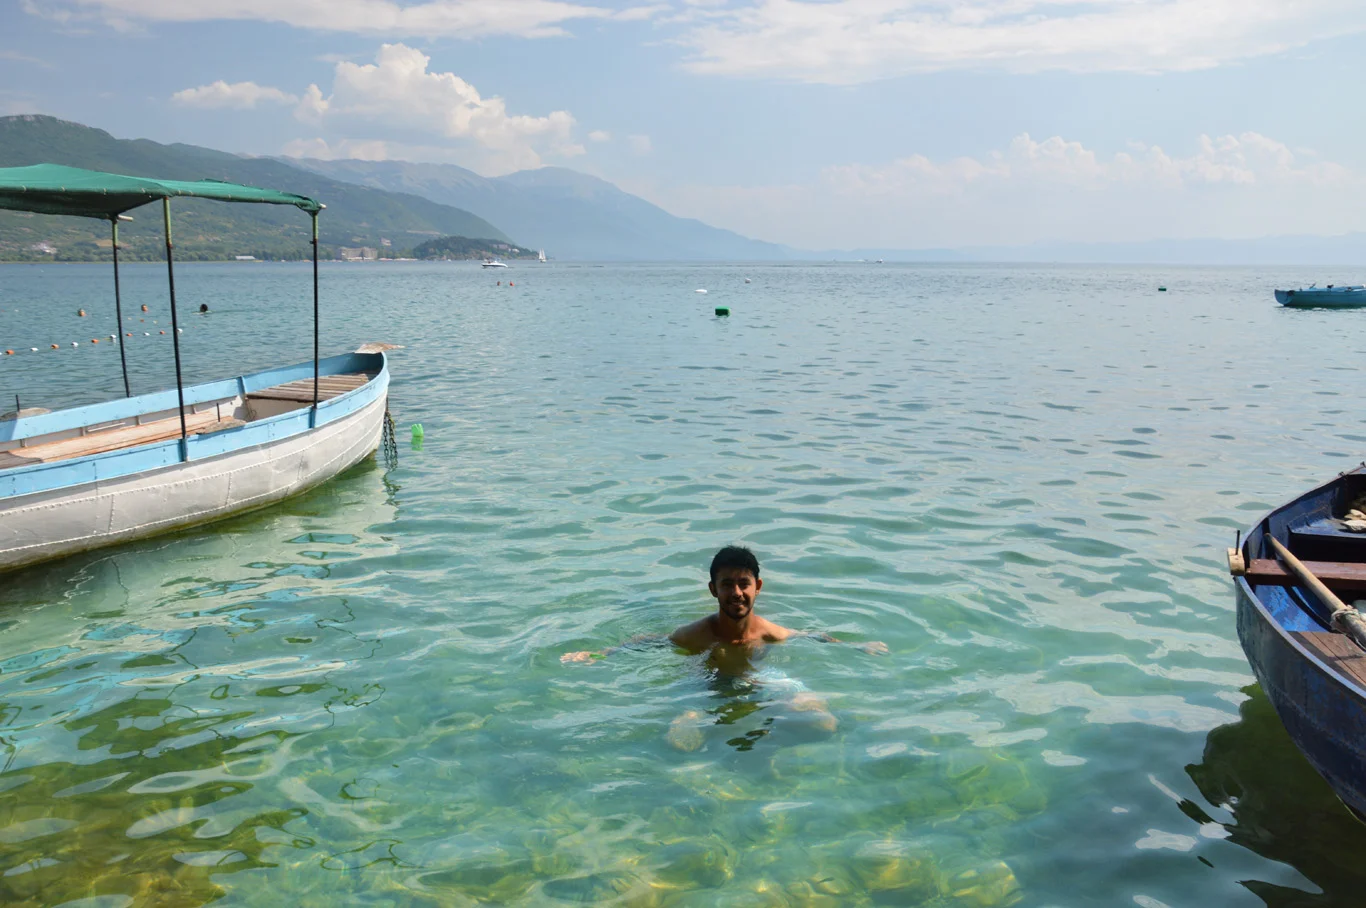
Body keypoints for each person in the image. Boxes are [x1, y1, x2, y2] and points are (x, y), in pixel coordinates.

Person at [560, 545, 887, 662]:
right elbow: (650, 642)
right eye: (727, 585)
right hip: (705, 684)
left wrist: (857, 647)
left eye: (744, 584)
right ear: (713, 590)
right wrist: (600, 654)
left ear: (757, 587)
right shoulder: (696, 634)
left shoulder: (768, 632)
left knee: (820, 719)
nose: (737, 593)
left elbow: (811, 636)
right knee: (683, 737)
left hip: (756, 680)